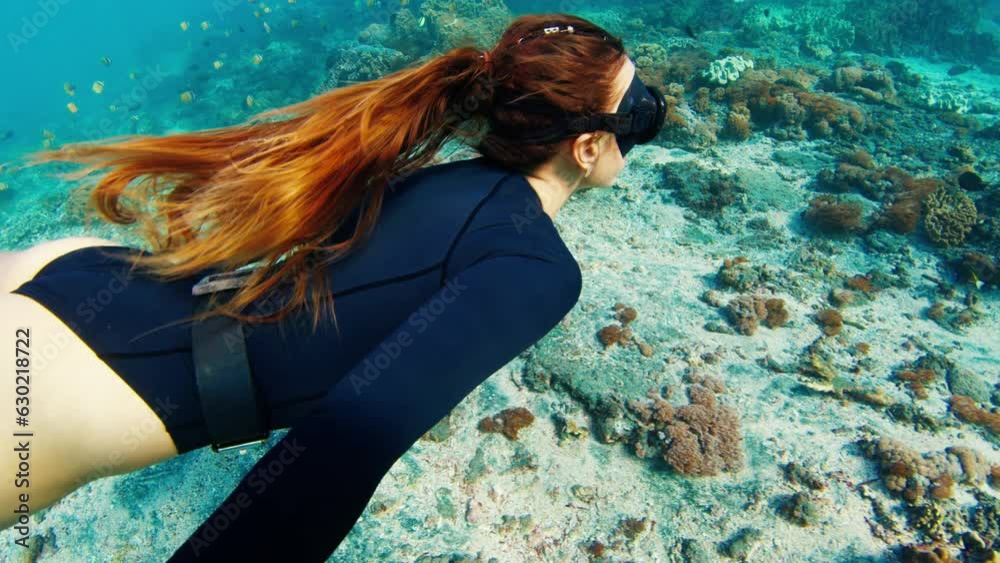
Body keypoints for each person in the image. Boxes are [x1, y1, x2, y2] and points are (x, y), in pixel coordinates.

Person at [1, 13, 664, 561]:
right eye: (642, 111)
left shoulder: (433, 176)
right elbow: (347, 440)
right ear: (584, 146)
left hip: (85, 273)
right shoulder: (540, 266)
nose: (646, 121)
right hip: (81, 388)